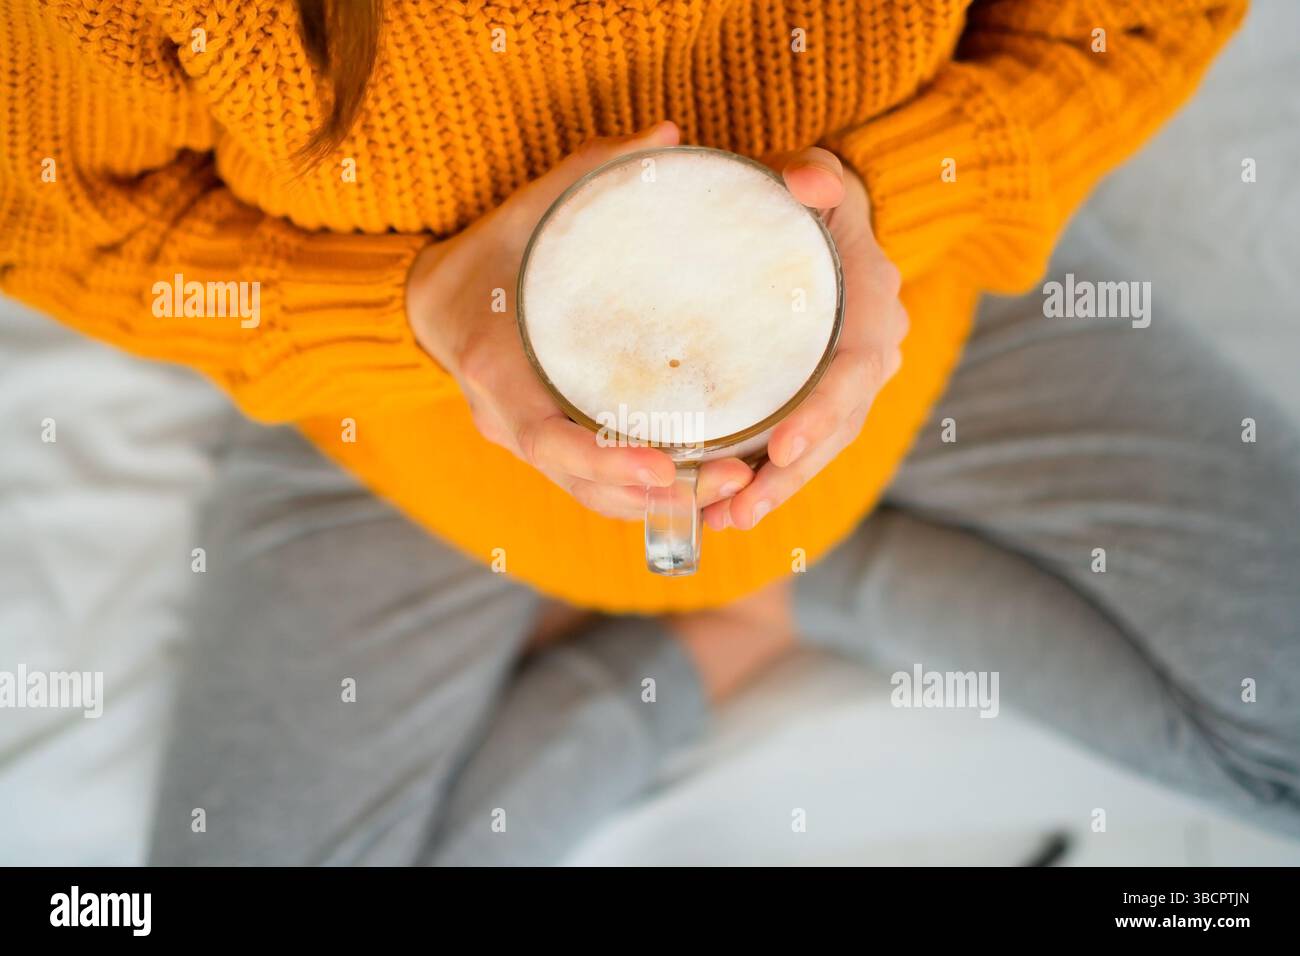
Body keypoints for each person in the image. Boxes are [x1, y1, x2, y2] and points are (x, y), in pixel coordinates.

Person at [4, 0, 1295, 865]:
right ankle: (733, 622)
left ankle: (792, 582)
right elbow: (52, 209)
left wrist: (908, 186)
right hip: (402, 413)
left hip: (917, 300)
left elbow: (1138, 17)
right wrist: (399, 315)